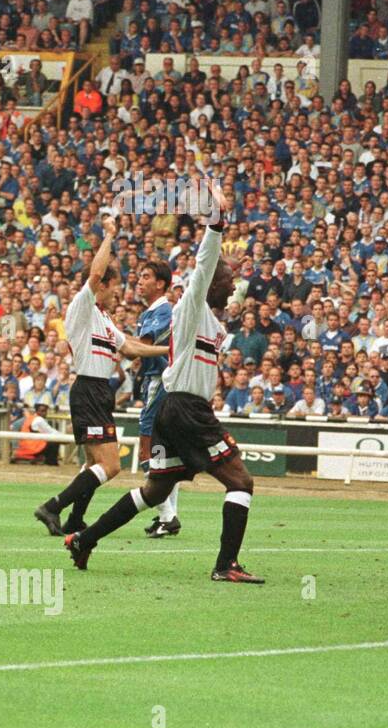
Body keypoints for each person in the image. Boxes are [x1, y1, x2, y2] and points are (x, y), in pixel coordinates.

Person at [65, 182, 265, 584]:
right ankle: (226, 565)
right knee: (241, 481)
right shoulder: (191, 306)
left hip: (176, 410)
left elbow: (223, 284)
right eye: (227, 282)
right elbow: (207, 264)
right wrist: (216, 223)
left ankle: (84, 538)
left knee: (155, 492)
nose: (232, 286)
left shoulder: (210, 319)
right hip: (187, 410)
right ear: (209, 285)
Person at [33, 216, 167, 537]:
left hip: (99, 391)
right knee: (111, 466)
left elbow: (132, 348)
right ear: (103, 285)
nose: (118, 292)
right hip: (89, 389)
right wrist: (109, 234)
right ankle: (53, 506)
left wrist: (168, 351)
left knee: (92, 463)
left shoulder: (106, 321)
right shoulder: (83, 306)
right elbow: (95, 271)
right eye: (115, 286)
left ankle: (74, 519)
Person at [134, 256, 182, 538]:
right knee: (165, 456)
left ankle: (167, 514)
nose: (140, 281)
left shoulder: (163, 312)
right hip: (156, 382)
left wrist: (112, 338)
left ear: (161, 283)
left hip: (160, 384)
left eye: (146, 277)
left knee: (146, 451)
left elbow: (143, 348)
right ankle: (168, 516)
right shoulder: (147, 314)